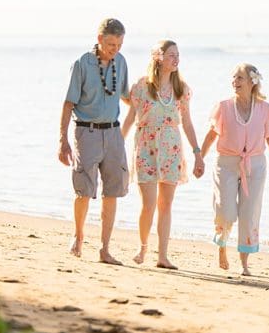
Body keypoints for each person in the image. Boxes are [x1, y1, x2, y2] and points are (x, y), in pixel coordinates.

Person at [121, 40, 205, 270]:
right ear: (159, 58)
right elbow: (130, 118)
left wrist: (198, 153)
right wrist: (118, 145)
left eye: (178, 55)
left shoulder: (182, 90)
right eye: (171, 55)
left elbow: (187, 123)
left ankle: (163, 256)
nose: (176, 59)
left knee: (166, 204)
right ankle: (143, 247)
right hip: (145, 148)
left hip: (171, 149)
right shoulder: (141, 86)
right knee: (148, 204)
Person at [199, 63, 269, 276]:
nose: (234, 82)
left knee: (249, 214)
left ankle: (244, 263)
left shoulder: (264, 108)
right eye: (234, 78)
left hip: (255, 165)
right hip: (227, 163)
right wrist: (199, 159)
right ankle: (222, 246)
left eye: (239, 78)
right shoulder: (224, 107)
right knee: (226, 211)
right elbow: (211, 136)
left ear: (252, 82)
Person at [58, 18, 130, 265]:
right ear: (99, 39)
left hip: (113, 134)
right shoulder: (82, 64)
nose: (115, 49)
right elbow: (68, 103)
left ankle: (105, 249)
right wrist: (62, 141)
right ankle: (78, 236)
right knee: (84, 191)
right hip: (86, 133)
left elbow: (126, 96)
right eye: (111, 44)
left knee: (113, 191)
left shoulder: (121, 62)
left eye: (119, 44)